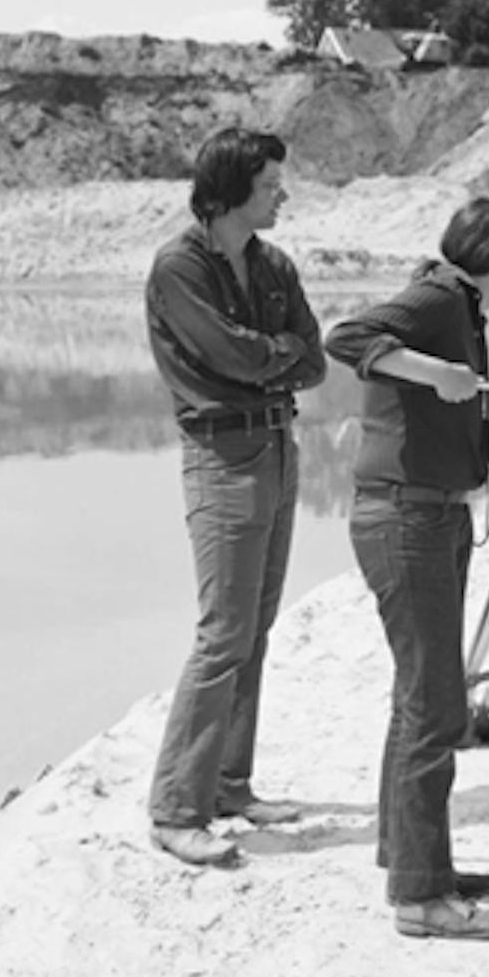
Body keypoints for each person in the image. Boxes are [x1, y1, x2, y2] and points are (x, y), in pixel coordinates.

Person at [325, 196, 489, 941]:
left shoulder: (465, 314)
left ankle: (413, 862)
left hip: (434, 514)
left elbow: (484, 446)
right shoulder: (440, 299)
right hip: (406, 519)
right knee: (435, 706)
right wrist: (432, 370)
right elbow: (347, 337)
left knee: (422, 697)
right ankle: (420, 897)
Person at [145, 127, 326, 867]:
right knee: (224, 632)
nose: (283, 193)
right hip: (221, 455)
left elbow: (312, 357)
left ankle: (229, 784)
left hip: (278, 446)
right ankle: (175, 809)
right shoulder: (178, 269)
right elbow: (230, 356)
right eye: (270, 184)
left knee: (256, 626)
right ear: (230, 192)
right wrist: (269, 358)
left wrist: (269, 362)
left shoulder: (274, 263)